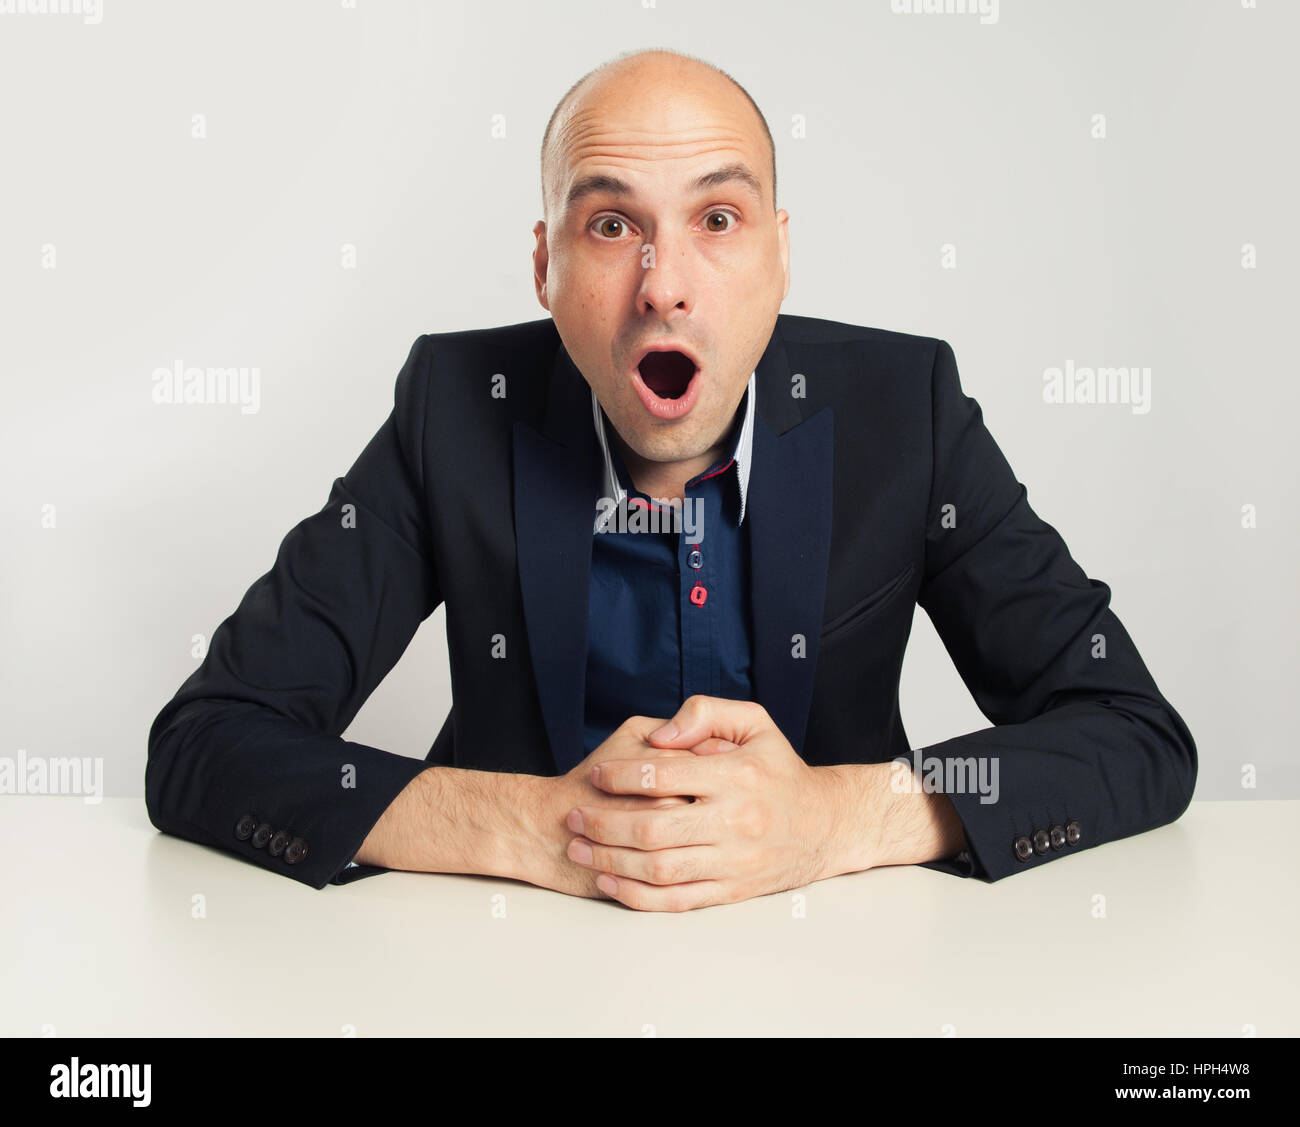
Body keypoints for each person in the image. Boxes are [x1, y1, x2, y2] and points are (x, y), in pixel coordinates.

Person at [145, 48, 1196, 912]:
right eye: (611, 225)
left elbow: (1131, 729)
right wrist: (540, 825)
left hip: (848, 967)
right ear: (543, 266)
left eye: (717, 219)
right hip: (507, 966)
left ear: (779, 259)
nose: (665, 287)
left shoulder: (904, 408)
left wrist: (835, 817)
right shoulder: (454, 406)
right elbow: (206, 741)